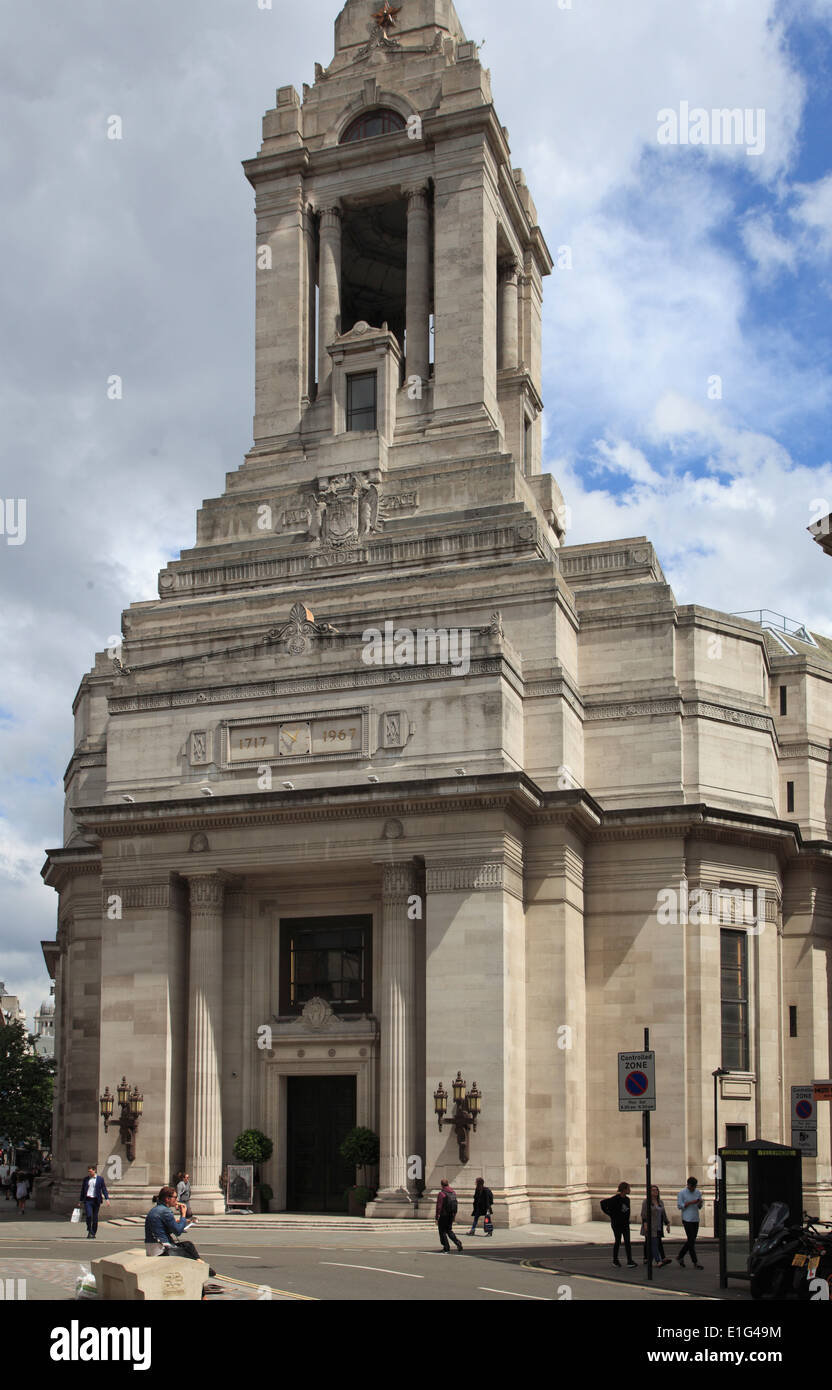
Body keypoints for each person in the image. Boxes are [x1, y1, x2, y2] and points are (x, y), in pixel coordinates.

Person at [145, 1187, 213, 1272]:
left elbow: (166, 1228)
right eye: (175, 1197)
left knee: (187, 1246)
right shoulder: (166, 1211)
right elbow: (177, 1232)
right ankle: (202, 1267)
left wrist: (181, 1221)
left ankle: (201, 1264)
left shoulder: (155, 1209)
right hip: (161, 1248)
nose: (177, 1200)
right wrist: (183, 1214)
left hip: (152, 1246)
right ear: (167, 1199)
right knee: (188, 1246)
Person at [601, 1181, 638, 1268]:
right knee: (618, 1241)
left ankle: (629, 1260)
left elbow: (627, 1211)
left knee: (627, 1242)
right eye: (629, 1188)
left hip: (625, 1224)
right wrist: (610, 1214)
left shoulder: (627, 1199)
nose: (630, 1190)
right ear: (624, 1189)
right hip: (617, 1224)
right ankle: (615, 1260)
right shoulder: (615, 1199)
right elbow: (602, 1203)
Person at [677, 1176, 704, 1269]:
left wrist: (699, 1203)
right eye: (692, 1187)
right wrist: (691, 1202)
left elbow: (700, 1206)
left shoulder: (698, 1192)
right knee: (691, 1240)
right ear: (688, 1185)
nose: (693, 1189)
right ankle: (695, 1262)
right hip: (686, 1218)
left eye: (695, 1187)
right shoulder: (682, 1193)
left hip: (695, 1218)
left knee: (692, 1240)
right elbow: (680, 1206)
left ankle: (680, 1256)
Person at [641, 1185, 672, 1266]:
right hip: (650, 1225)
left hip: (658, 1225)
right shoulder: (646, 1202)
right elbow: (643, 1214)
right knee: (654, 1243)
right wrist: (645, 1224)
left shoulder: (660, 1202)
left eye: (656, 1190)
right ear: (649, 1192)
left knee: (654, 1243)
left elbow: (663, 1214)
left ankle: (649, 1259)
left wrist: (667, 1223)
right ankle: (658, 1261)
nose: (655, 1192)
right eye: (653, 1190)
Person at [78, 1165, 110, 1239]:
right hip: (88, 1200)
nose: (89, 1172)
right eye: (88, 1171)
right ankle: (89, 1230)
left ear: (94, 1170)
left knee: (95, 1217)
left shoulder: (100, 1179)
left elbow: (104, 1189)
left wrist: (107, 1199)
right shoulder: (86, 1179)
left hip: (96, 1200)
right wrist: (80, 1200)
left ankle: (93, 1232)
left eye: (90, 1171)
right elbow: (83, 1190)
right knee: (89, 1215)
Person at [435, 1178, 463, 1252]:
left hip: (443, 1215)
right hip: (451, 1214)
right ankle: (458, 1242)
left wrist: (437, 1217)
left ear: (441, 1185)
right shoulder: (453, 1192)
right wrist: (454, 1216)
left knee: (442, 1231)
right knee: (449, 1230)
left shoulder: (441, 1194)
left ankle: (446, 1247)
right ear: (448, 1184)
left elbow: (439, 1206)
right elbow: (455, 1204)